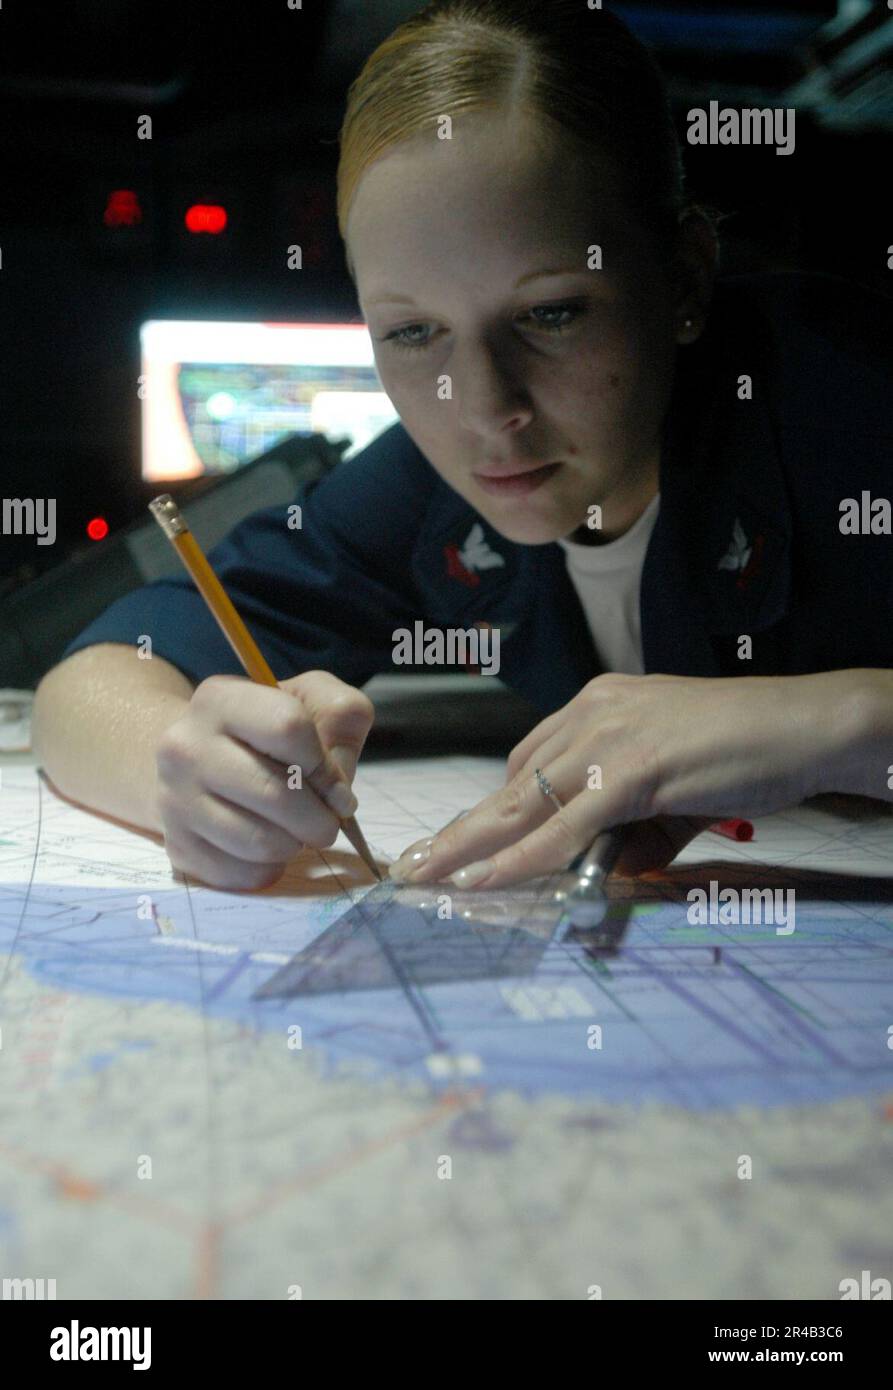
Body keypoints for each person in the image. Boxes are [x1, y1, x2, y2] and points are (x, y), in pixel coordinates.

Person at [34, 0, 892, 895]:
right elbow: (101, 672)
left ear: (682, 277)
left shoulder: (851, 407)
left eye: (550, 314)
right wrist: (193, 778)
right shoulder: (422, 483)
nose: (484, 411)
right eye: (412, 335)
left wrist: (838, 719)